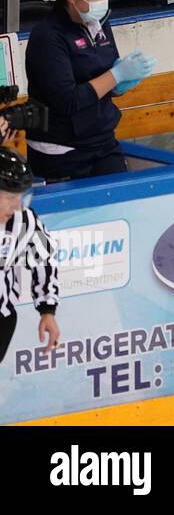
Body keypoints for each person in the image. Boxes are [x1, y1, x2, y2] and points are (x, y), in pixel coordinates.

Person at [24, 0, 157, 182]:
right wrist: (116, 75)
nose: (104, 1)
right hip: (61, 149)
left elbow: (105, 82)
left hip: (101, 140)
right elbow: (68, 100)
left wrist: (123, 83)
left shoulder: (100, 24)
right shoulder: (48, 37)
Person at [0, 149, 59, 363]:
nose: (17, 206)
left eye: (21, 198)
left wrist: (47, 309)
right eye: (9, 198)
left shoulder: (23, 220)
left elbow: (44, 260)